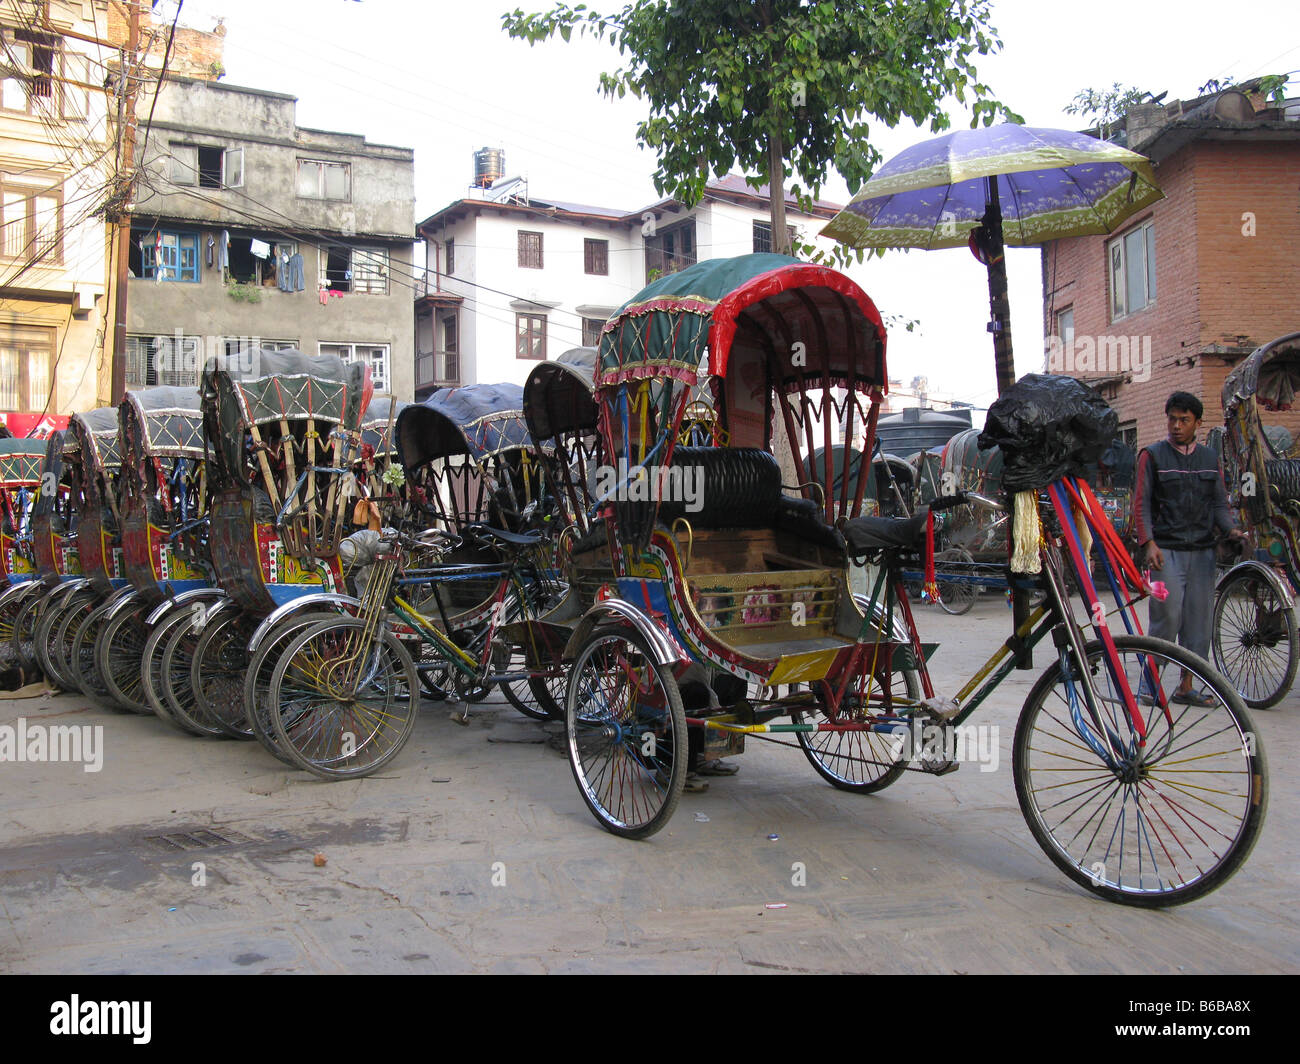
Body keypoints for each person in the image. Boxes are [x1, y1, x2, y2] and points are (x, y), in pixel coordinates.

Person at [1135, 391, 1247, 704]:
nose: (1176, 425)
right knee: (1166, 618)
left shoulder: (1210, 459)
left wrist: (1231, 529)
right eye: (1172, 418)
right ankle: (1149, 684)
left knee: (1199, 622)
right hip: (1163, 554)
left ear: (1197, 422)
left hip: (1202, 553)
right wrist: (1148, 543)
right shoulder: (1152, 455)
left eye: (1184, 420)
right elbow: (1141, 503)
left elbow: (1218, 503)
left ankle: (1186, 686)